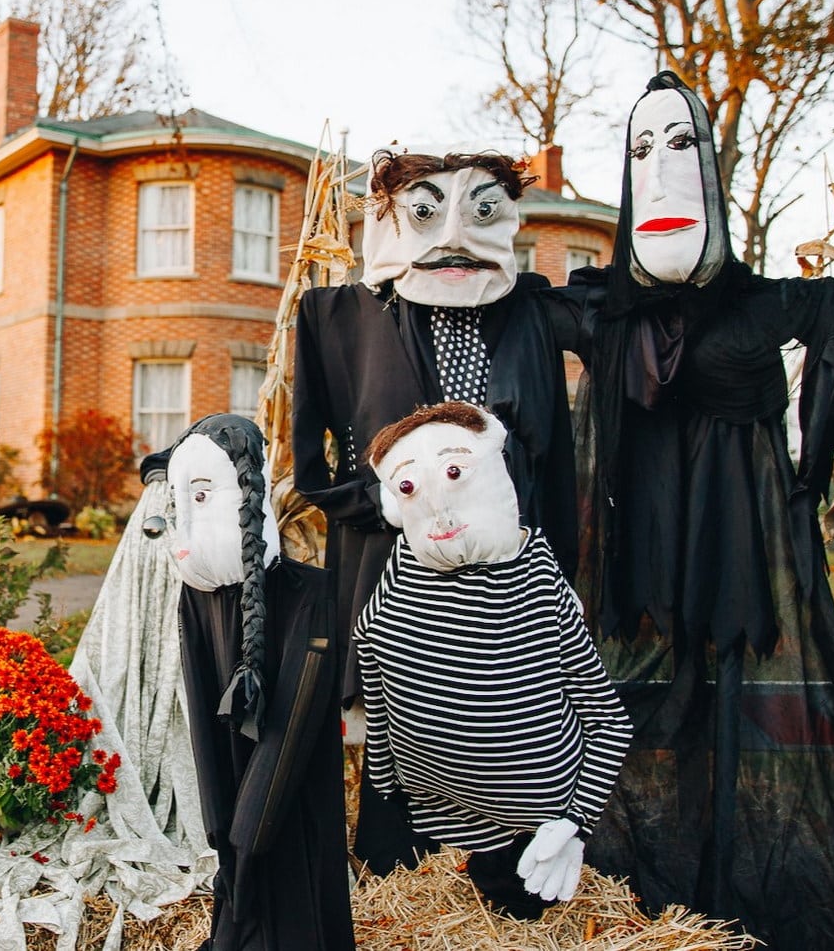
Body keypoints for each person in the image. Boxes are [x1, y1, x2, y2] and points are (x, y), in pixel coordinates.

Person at [546, 71, 834, 949]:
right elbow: (502, 322)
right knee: (635, 721)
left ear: (714, 172)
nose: (665, 169)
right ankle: (631, 900)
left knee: (745, 714)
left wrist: (804, 447)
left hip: (743, 556)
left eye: (684, 146)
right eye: (643, 150)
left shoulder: (774, 308)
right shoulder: (597, 308)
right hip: (638, 564)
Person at [291, 147, 577, 873]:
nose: (451, 235)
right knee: (405, 724)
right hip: (394, 571)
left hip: (508, 577)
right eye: (426, 211)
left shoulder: (531, 312)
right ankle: (399, 862)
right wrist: (385, 506)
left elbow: (554, 457)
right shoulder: (338, 317)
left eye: (477, 211)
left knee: (511, 715)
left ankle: (507, 860)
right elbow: (311, 464)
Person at [355, 401, 631, 919]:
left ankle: (514, 877)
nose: (439, 511)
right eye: (408, 487)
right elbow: (374, 664)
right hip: (437, 801)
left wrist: (576, 820)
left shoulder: (535, 585)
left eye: (455, 473)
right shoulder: (400, 577)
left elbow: (608, 721)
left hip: (539, 812)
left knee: (526, 892)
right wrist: (386, 776)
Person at [157, 414, 354, 951]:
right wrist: (224, 833)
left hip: (284, 828)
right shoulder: (196, 601)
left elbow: (288, 741)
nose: (186, 529)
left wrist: (245, 840)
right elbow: (204, 724)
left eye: (202, 497)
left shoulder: (308, 596)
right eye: (180, 501)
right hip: (237, 856)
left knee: (287, 863)